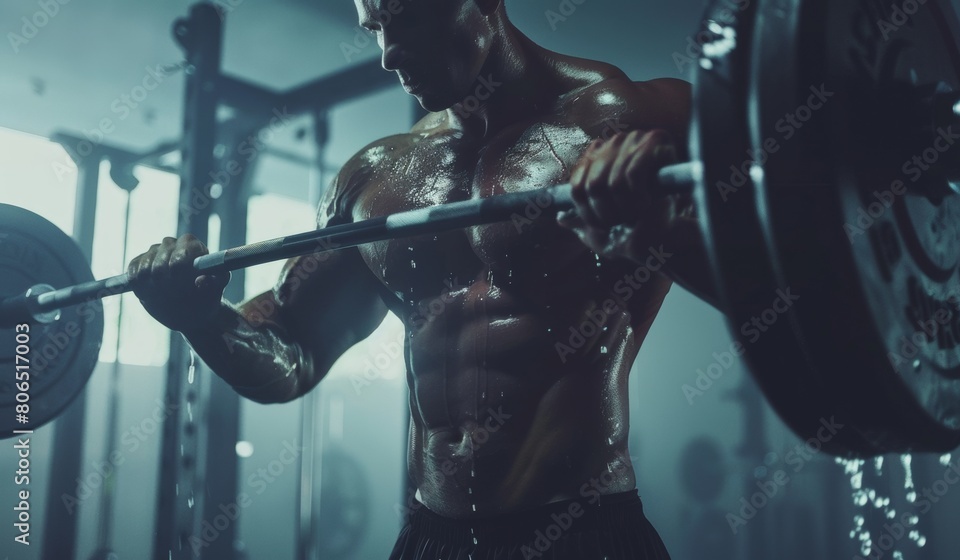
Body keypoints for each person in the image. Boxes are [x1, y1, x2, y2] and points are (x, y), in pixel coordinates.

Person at [128, 0, 716, 557]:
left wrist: (659, 234)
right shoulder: (374, 177)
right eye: (375, 27)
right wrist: (201, 320)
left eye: (408, 19)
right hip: (431, 538)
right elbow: (291, 353)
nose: (388, 53)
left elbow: (765, 297)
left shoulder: (637, 120)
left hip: (581, 534)